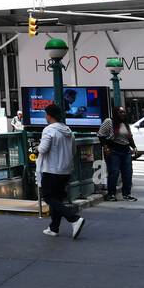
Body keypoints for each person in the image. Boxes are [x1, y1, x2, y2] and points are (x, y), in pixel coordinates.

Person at [38, 102, 85, 238]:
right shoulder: (68, 131)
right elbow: (73, 150)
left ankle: (74, 219)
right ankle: (54, 228)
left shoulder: (49, 130)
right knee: (57, 199)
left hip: (51, 169)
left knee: (48, 197)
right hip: (65, 170)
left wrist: (37, 147)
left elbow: (43, 149)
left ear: (49, 115)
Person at [99, 106, 139, 201]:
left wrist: (134, 147)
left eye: (124, 112)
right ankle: (111, 194)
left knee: (128, 173)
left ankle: (126, 194)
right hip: (114, 150)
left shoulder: (124, 123)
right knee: (114, 172)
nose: (123, 114)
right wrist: (105, 147)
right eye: (120, 112)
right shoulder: (109, 121)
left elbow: (129, 137)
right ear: (116, 113)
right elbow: (101, 134)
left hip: (125, 150)